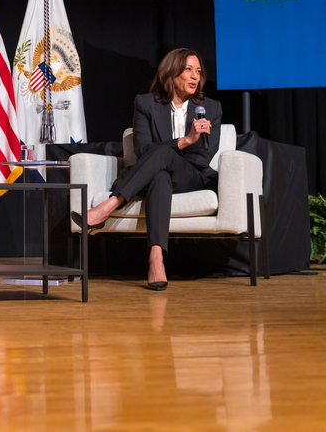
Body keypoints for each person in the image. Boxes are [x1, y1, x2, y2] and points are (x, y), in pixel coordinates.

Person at [71, 48, 222, 291]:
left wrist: (184, 142)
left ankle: (108, 206)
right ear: (171, 73)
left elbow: (204, 155)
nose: (195, 76)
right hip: (154, 176)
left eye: (198, 71)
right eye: (188, 70)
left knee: (163, 152)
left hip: (190, 176)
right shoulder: (146, 103)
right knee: (159, 175)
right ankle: (156, 259)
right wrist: (183, 141)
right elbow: (142, 149)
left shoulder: (210, 108)